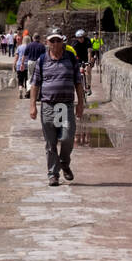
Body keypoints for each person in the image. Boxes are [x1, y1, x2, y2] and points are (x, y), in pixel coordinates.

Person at [29, 30, 85, 186]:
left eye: (58, 41)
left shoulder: (70, 58)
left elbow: (78, 83)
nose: (55, 44)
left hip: (64, 105)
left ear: (62, 42)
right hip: (48, 104)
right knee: (51, 141)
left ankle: (64, 162)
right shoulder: (42, 60)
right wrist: (33, 105)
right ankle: (53, 174)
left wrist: (80, 103)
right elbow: (35, 84)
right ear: (47, 43)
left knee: (67, 137)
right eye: (52, 41)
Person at [19, 32, 45, 98]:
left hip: (30, 62)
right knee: (39, 78)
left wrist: (22, 64)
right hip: (39, 62)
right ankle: (38, 94)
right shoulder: (42, 46)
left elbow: (24, 56)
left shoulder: (29, 45)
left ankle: (29, 92)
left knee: (30, 77)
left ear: (33, 38)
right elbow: (45, 56)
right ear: (39, 38)